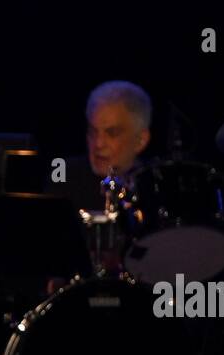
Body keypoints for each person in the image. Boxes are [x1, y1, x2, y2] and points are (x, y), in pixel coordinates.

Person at [45, 80, 153, 276]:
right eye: (93, 132)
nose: (98, 143)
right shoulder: (65, 174)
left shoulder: (153, 186)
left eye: (111, 133)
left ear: (141, 140)